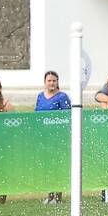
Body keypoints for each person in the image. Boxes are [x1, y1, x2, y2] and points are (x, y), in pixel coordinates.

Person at [36, 72, 71, 203]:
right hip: (43, 137)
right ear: (45, 82)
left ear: (57, 82)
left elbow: (67, 116)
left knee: (58, 166)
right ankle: (49, 194)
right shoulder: (40, 96)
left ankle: (58, 196)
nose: (51, 83)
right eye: (49, 80)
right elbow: (36, 115)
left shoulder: (62, 97)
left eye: (54, 80)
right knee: (47, 166)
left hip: (57, 137)